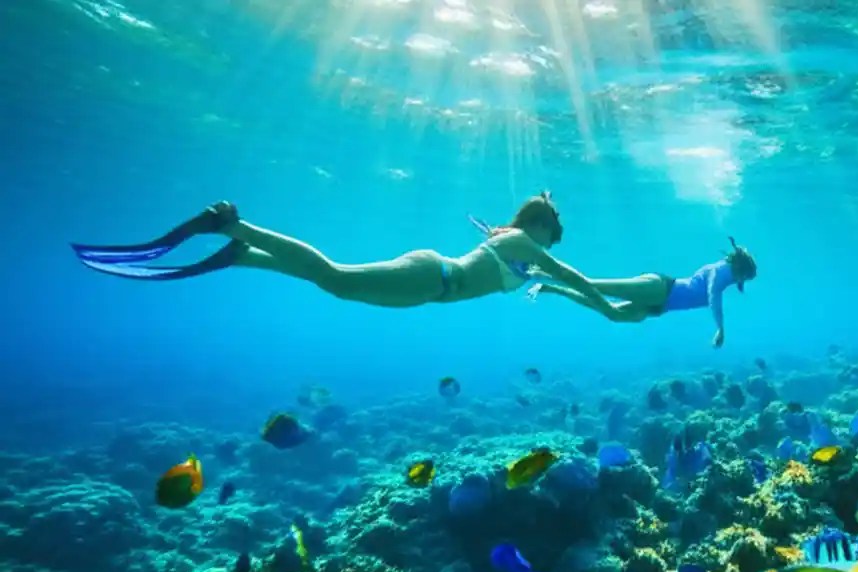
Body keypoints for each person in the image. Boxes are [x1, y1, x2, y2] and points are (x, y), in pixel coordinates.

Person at [70, 192, 629, 317]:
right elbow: (567, 271)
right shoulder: (521, 242)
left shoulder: (520, 247)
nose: (557, 240)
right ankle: (232, 224)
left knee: (332, 283)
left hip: (429, 284)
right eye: (556, 228)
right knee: (334, 276)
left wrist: (602, 306)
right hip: (431, 277)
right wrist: (606, 305)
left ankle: (243, 254)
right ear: (539, 225)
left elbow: (554, 278)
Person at [528, 237, 757, 347]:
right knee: (596, 286)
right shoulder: (721, 271)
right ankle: (543, 272)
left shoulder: (728, 277)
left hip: (659, 306)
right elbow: (712, 295)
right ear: (740, 268)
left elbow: (715, 293)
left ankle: (553, 289)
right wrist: (720, 329)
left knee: (611, 313)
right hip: (659, 288)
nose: (741, 281)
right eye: (744, 277)